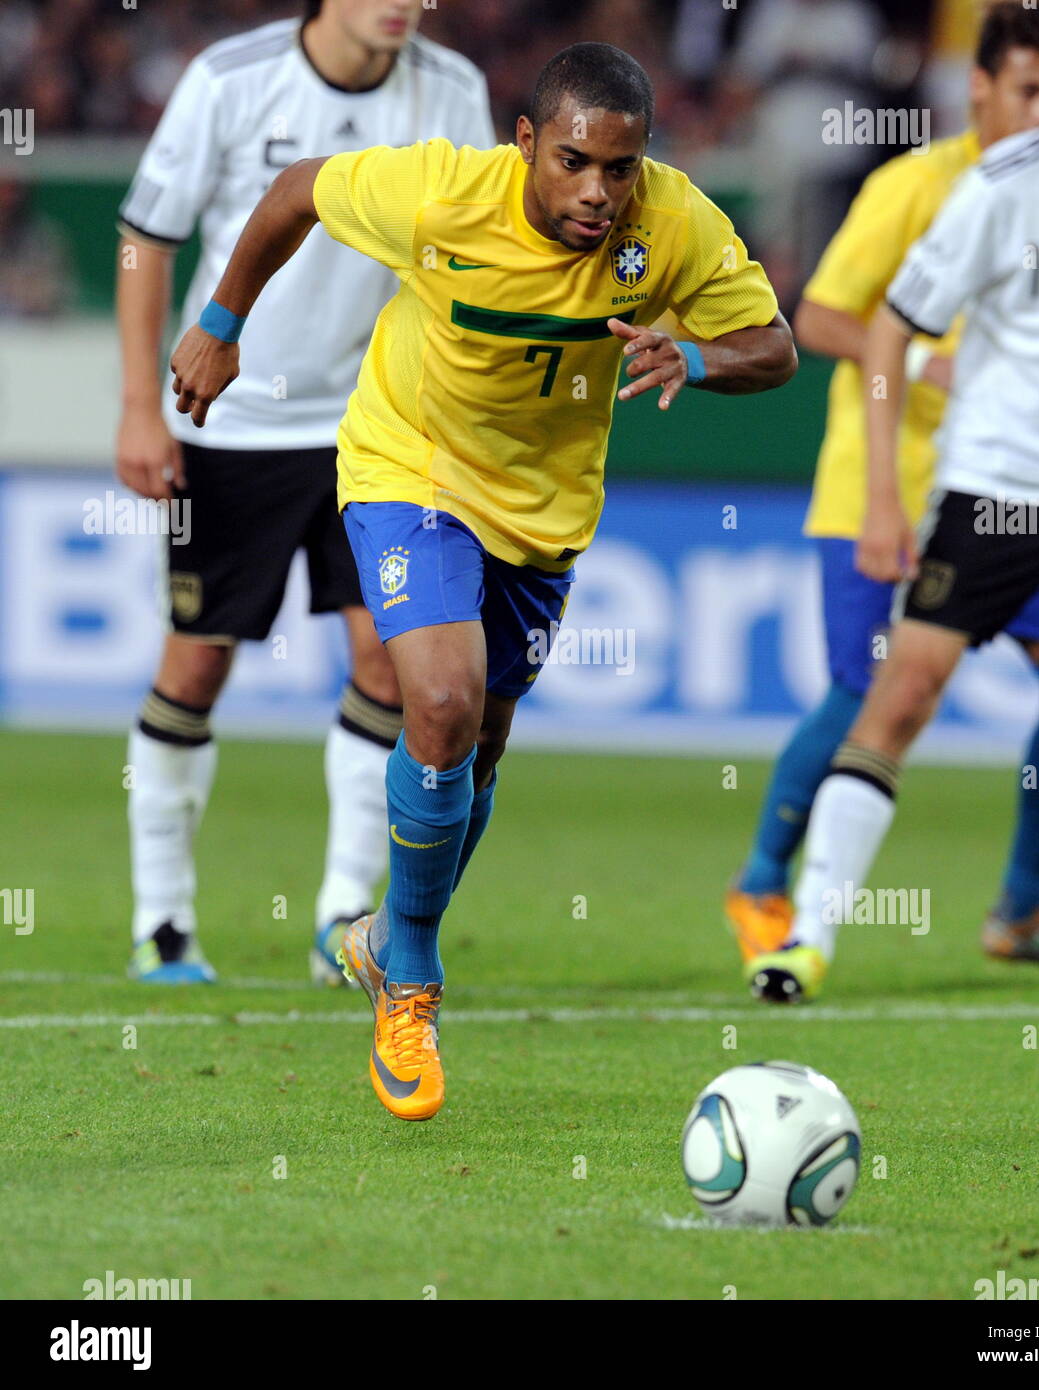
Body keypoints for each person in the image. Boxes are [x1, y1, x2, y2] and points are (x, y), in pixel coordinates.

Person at [169, 42, 797, 1117]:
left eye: (621, 168)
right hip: (408, 465)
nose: (599, 191)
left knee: (481, 744)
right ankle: (410, 978)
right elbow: (292, 193)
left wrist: (694, 358)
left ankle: (381, 934)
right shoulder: (444, 192)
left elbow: (775, 345)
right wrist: (221, 325)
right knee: (444, 701)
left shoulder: (675, 221)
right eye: (573, 163)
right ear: (524, 147)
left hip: (542, 511)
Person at [728, 1, 1039, 999]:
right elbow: (822, 314)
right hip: (893, 486)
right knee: (868, 692)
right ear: (980, 88)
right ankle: (765, 889)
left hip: (1020, 488)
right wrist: (924, 369)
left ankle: (1020, 908)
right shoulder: (922, 184)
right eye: (1031, 88)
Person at [115, 0, 494, 985]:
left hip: (384, 426)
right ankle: (163, 922)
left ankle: (341, 913)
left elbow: (486, 254)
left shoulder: (451, 91)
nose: (404, 3)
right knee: (197, 665)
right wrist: (136, 408)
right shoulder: (229, 80)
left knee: (386, 655)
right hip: (235, 423)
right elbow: (144, 239)